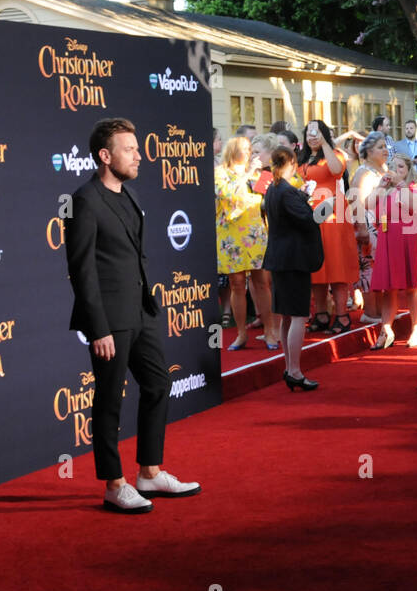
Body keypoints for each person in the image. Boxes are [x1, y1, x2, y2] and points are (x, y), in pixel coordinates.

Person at [65, 117, 200, 514]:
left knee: (158, 384)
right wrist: (98, 328)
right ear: (105, 156)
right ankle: (114, 484)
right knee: (108, 400)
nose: (139, 155)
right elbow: (82, 270)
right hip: (109, 319)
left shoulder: (131, 195)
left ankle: (149, 472)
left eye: (137, 148)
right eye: (130, 149)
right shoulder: (84, 201)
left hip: (141, 310)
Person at [263, 146, 325, 390]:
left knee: (286, 315)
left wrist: (302, 198)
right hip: (293, 260)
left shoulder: (273, 189)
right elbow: (309, 220)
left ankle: (290, 368)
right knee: (299, 315)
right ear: (290, 163)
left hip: (280, 259)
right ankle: (296, 370)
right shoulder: (286, 191)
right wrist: (324, 207)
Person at [297, 119, 359, 334]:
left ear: (324, 134)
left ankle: (342, 316)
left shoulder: (336, 154)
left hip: (333, 213)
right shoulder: (302, 158)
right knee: (316, 266)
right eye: (309, 133)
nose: (312, 136)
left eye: (316, 132)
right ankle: (321, 313)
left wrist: (325, 144)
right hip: (309, 215)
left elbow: (336, 171)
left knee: (336, 264)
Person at [216, 135, 277, 350]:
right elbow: (227, 196)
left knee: (262, 283)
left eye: (249, 148)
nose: (249, 152)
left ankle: (270, 331)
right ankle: (241, 334)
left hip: (256, 234)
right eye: (244, 148)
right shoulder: (220, 173)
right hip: (230, 236)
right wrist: (248, 174)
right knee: (237, 284)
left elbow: (266, 201)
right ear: (232, 150)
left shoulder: (260, 174)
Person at [370, 154, 417, 348]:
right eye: (393, 166)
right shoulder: (386, 190)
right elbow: (368, 206)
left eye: (401, 167)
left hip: (408, 239)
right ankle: (386, 329)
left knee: (412, 285)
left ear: (409, 170)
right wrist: (379, 187)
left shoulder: (415, 189)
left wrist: (401, 185)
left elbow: (416, 207)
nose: (396, 170)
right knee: (389, 288)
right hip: (387, 238)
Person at [350, 131, 390, 325]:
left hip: (382, 225)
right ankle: (371, 311)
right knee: (369, 269)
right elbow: (357, 201)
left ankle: (381, 311)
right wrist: (363, 229)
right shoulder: (363, 171)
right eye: (380, 147)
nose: (385, 150)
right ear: (369, 151)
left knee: (380, 268)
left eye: (385, 147)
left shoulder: (382, 170)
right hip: (368, 225)